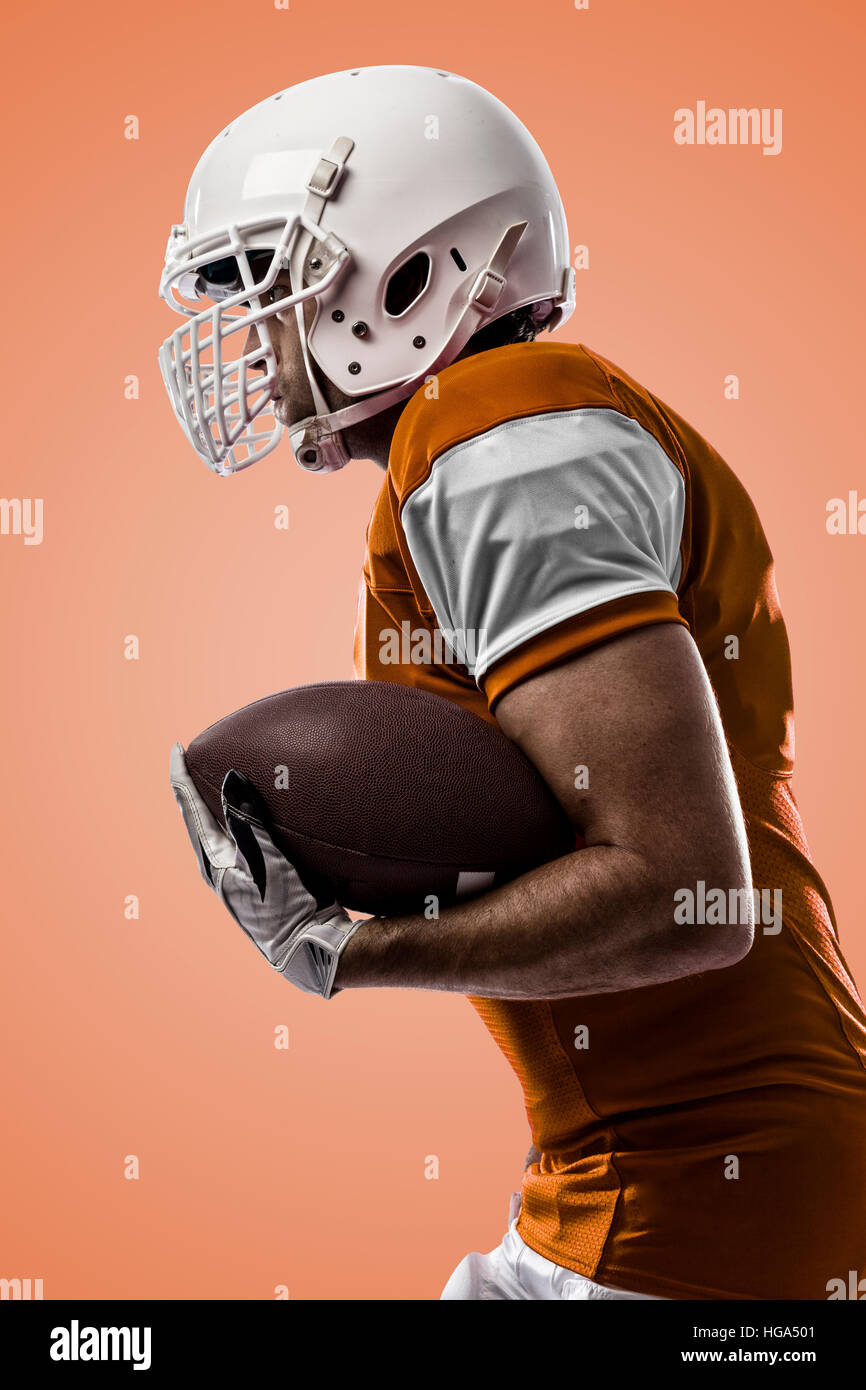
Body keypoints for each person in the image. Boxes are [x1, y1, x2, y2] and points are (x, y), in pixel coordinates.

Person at [162, 65, 866, 1301]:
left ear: (405, 276)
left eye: (266, 279)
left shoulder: (499, 436)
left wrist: (352, 950)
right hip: (653, 1168)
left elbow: (681, 890)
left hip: (705, 1195)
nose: (247, 328)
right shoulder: (489, 433)